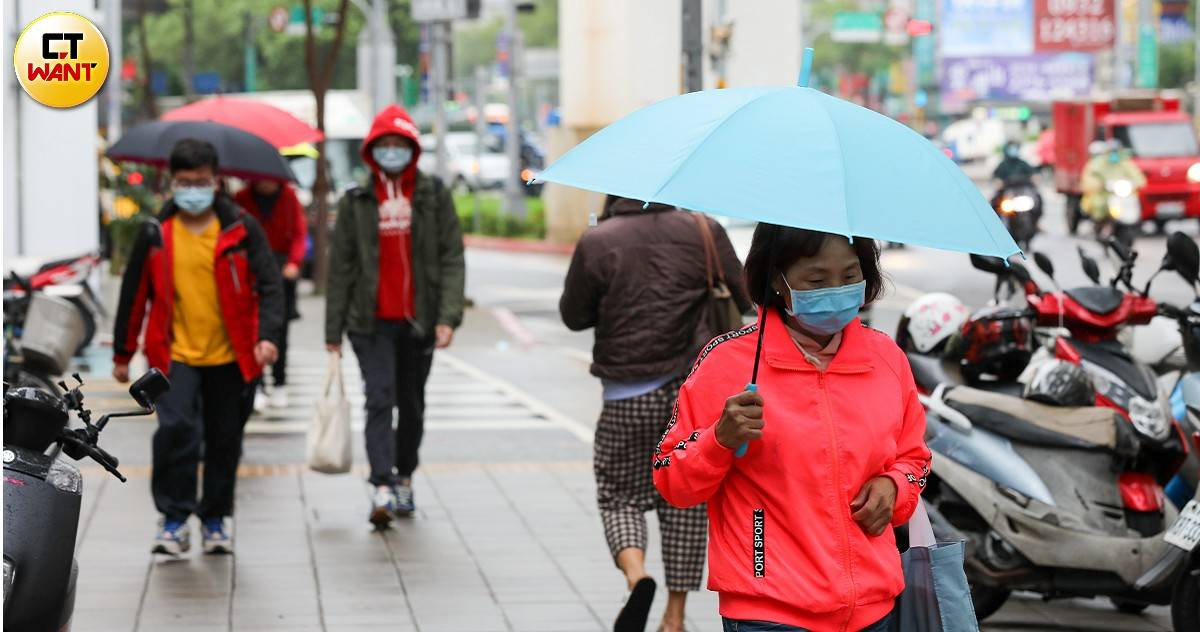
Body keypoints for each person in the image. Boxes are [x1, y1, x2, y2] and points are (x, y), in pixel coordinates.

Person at [653, 225, 931, 632]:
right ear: (777, 281)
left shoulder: (886, 357)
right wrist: (718, 440)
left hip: (873, 610)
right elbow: (671, 479)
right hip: (767, 611)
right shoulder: (728, 363)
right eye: (817, 280)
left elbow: (915, 458)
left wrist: (895, 486)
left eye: (851, 275)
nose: (837, 289)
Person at [560, 196, 751, 632]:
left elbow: (573, 317)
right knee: (685, 497)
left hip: (625, 394)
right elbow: (743, 298)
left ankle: (636, 574)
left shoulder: (598, 240)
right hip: (691, 392)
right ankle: (675, 615)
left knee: (618, 495)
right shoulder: (703, 229)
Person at [112, 138, 283, 556]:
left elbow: (270, 286)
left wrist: (268, 337)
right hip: (174, 357)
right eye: (185, 182)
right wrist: (122, 353)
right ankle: (173, 519)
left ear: (216, 181)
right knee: (176, 431)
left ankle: (214, 518)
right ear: (172, 183)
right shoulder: (155, 233)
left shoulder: (241, 229)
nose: (194, 189)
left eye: (202, 181)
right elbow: (134, 295)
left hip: (233, 356)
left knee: (225, 439)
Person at [325, 104, 465, 527]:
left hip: (419, 321)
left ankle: (404, 475)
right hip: (369, 323)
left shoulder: (433, 195)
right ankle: (382, 483)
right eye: (382, 146)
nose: (390, 152)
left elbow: (451, 257)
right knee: (379, 399)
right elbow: (342, 265)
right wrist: (333, 330)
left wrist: (448, 316)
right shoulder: (356, 199)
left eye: (398, 145)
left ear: (412, 150)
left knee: (413, 404)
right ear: (370, 152)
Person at [233, 178, 308, 410]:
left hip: (281, 268)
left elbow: (299, 233)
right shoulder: (241, 198)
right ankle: (257, 384)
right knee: (250, 328)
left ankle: (279, 381)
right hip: (250, 267)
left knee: (279, 328)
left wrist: (294, 263)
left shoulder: (289, 197)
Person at [1081, 139, 1146, 222]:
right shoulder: (1098, 163)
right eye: (1111, 151)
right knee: (1098, 204)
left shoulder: (1125, 163)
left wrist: (1135, 183)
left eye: (1116, 151)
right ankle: (1100, 221)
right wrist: (1101, 184)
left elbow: (1137, 176)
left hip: (1122, 193)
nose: (1113, 154)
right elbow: (1090, 178)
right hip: (1104, 193)